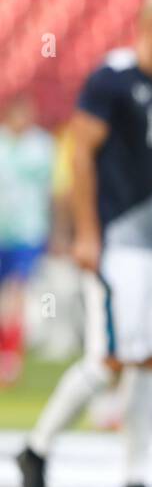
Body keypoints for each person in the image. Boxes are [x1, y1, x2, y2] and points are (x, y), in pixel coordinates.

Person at [15, 0, 152, 487]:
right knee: (110, 359)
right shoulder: (111, 80)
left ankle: (136, 480)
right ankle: (36, 448)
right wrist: (85, 233)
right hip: (119, 242)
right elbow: (80, 156)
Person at [0, 96, 55, 385]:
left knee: (16, 293)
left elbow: (54, 192)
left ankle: (10, 357)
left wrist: (58, 232)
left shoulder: (42, 147)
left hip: (27, 232)